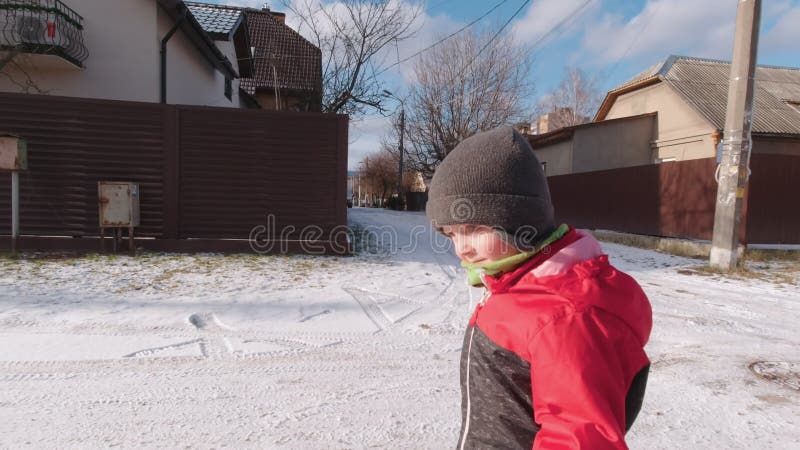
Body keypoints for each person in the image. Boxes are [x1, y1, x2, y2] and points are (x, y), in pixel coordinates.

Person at [426, 126, 652, 449]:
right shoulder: (514, 285)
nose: (462, 248)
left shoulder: (562, 316)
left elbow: (580, 438)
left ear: (520, 222)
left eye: (473, 228)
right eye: (450, 233)